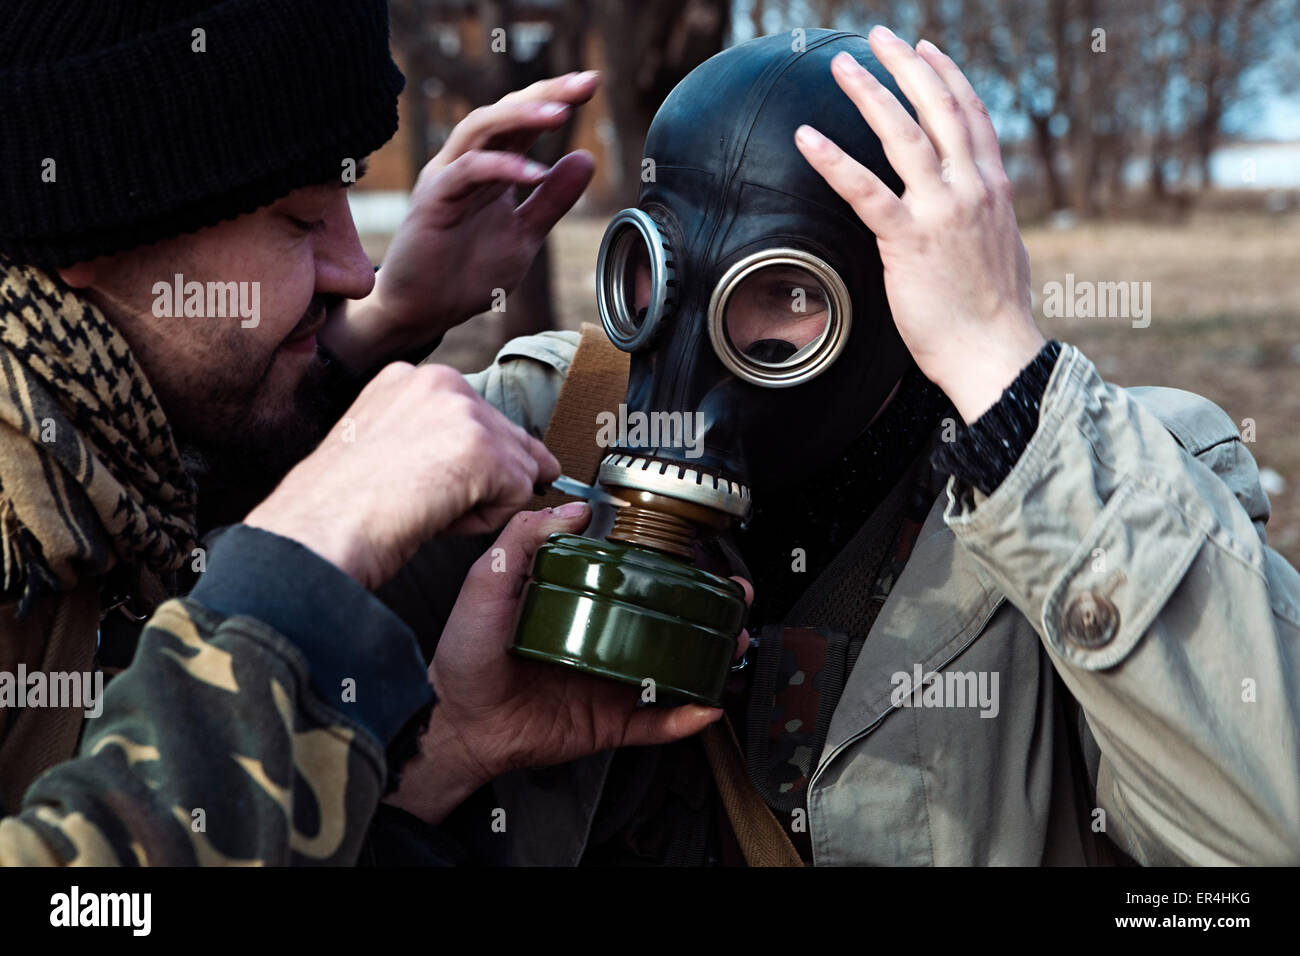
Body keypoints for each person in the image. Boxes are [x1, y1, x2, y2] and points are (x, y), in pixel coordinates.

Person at [391, 28, 1300, 865]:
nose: (696, 350)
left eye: (784, 295)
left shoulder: (1105, 493)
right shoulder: (531, 427)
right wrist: (381, 332)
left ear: (908, 303)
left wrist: (1012, 394)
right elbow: (271, 723)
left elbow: (1266, 831)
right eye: (655, 273)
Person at [0, 0, 732, 865]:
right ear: (92, 232)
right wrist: (297, 558)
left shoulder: (86, 460)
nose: (356, 269)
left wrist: (452, 748)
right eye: (301, 222)